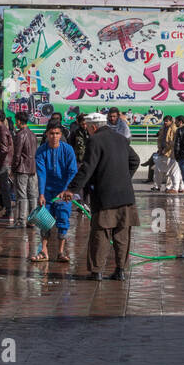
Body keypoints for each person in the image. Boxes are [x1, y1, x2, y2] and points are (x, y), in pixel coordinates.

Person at [62, 112, 140, 280]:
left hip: (105, 196)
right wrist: (124, 177)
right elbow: (135, 160)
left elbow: (87, 168)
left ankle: (96, 272)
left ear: (94, 127)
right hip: (125, 196)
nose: (88, 131)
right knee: (122, 235)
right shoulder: (121, 139)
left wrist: (72, 189)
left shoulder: (95, 140)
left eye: (88, 128)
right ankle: (120, 271)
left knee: (101, 234)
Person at [34, 122, 78, 263]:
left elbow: (72, 171)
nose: (54, 136)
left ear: (61, 135)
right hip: (47, 191)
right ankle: (44, 251)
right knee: (44, 221)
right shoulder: (41, 150)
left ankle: (60, 252)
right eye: (51, 133)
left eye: (57, 133)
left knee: (63, 220)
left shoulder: (68, 150)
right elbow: (41, 173)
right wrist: (41, 193)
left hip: (64, 192)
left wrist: (66, 189)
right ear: (47, 134)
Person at [10, 111, 38, 228]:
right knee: (32, 195)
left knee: (22, 195)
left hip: (22, 168)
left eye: (16, 121)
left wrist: (13, 167)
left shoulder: (20, 135)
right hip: (32, 168)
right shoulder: (33, 134)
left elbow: (17, 154)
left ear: (19, 121)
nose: (16, 123)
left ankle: (21, 220)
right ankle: (32, 220)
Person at [151, 115, 179, 193]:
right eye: (165, 121)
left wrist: (166, 150)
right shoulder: (163, 128)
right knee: (157, 170)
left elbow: (174, 142)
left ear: (171, 121)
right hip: (161, 152)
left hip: (170, 153)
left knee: (170, 172)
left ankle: (168, 187)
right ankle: (157, 186)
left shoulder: (174, 129)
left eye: (167, 121)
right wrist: (160, 149)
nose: (165, 122)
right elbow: (159, 139)